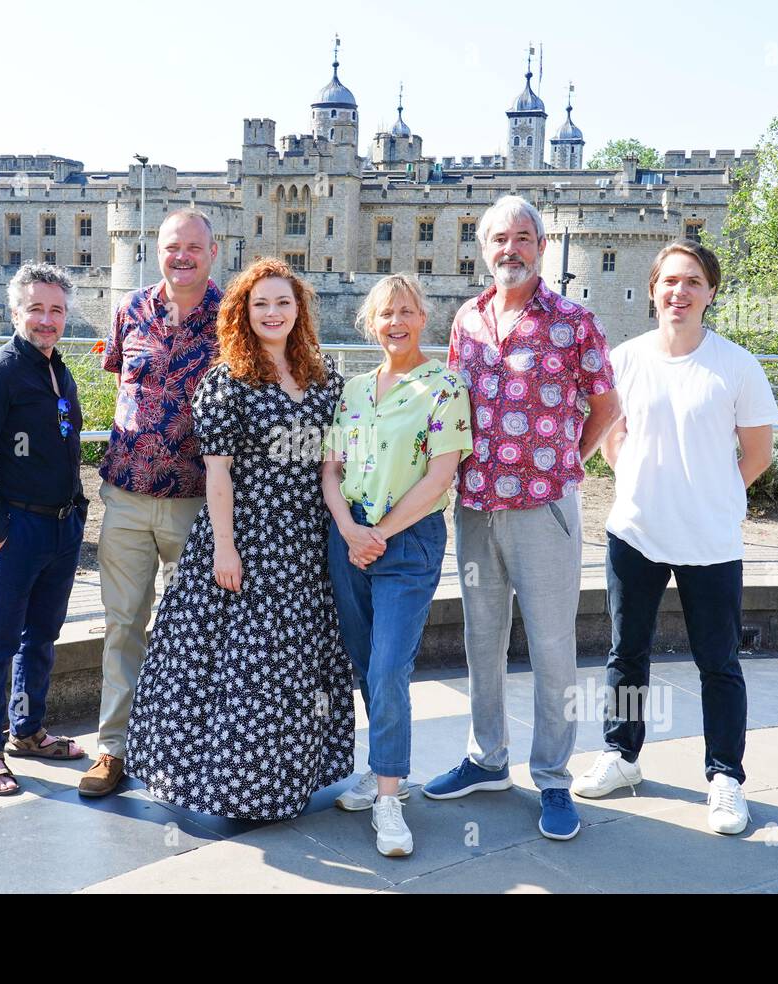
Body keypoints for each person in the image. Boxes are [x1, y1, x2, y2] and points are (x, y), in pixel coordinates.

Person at [124, 258, 355, 819]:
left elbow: (334, 465)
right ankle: (235, 787)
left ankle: (284, 782)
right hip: (245, 537)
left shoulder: (325, 376)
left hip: (304, 542)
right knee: (237, 665)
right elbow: (219, 473)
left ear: (299, 309)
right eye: (261, 305)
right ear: (243, 315)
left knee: (294, 666)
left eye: (282, 302)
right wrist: (225, 548)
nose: (273, 313)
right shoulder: (228, 380)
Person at [423, 195, 621, 842]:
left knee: (553, 646)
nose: (511, 249)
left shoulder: (573, 320)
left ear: (541, 246)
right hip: (476, 509)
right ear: (484, 248)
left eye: (523, 238)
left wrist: (570, 459)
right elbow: (452, 409)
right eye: (499, 239)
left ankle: (555, 778)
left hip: (544, 511)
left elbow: (605, 407)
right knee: (481, 640)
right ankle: (487, 758)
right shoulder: (467, 320)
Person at [572, 240, 777, 835]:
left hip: (710, 539)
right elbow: (610, 432)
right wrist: (636, 478)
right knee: (625, 652)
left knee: (718, 662)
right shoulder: (626, 359)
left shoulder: (736, 366)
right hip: (634, 531)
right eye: (668, 281)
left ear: (710, 292)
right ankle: (622, 756)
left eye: (692, 282)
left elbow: (758, 454)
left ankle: (725, 778)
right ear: (654, 289)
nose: (678, 292)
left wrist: (710, 493)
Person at [324, 274, 473, 858]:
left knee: (389, 668)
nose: (396, 323)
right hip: (350, 537)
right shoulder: (354, 389)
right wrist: (348, 529)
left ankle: (390, 798)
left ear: (423, 319)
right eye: (386, 314)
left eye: (407, 312)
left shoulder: (444, 386)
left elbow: (441, 477)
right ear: (371, 322)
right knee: (364, 662)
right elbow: (330, 469)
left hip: (406, 542)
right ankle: (383, 767)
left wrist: (378, 535)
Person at [79, 209, 223, 798]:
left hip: (199, 501)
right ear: (156, 251)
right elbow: (122, 384)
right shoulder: (131, 309)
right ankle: (112, 748)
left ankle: (189, 750)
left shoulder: (232, 318)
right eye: (171, 247)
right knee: (122, 624)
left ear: (213, 251)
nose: (181, 256)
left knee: (195, 631)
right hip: (129, 497)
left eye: (193, 246)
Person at [0, 262, 89, 795]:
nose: (47, 319)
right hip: (15, 531)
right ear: (15, 312)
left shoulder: (59, 368)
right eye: (36, 309)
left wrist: (74, 514)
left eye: (56, 310)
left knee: (42, 639)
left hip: (60, 529)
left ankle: (27, 732)